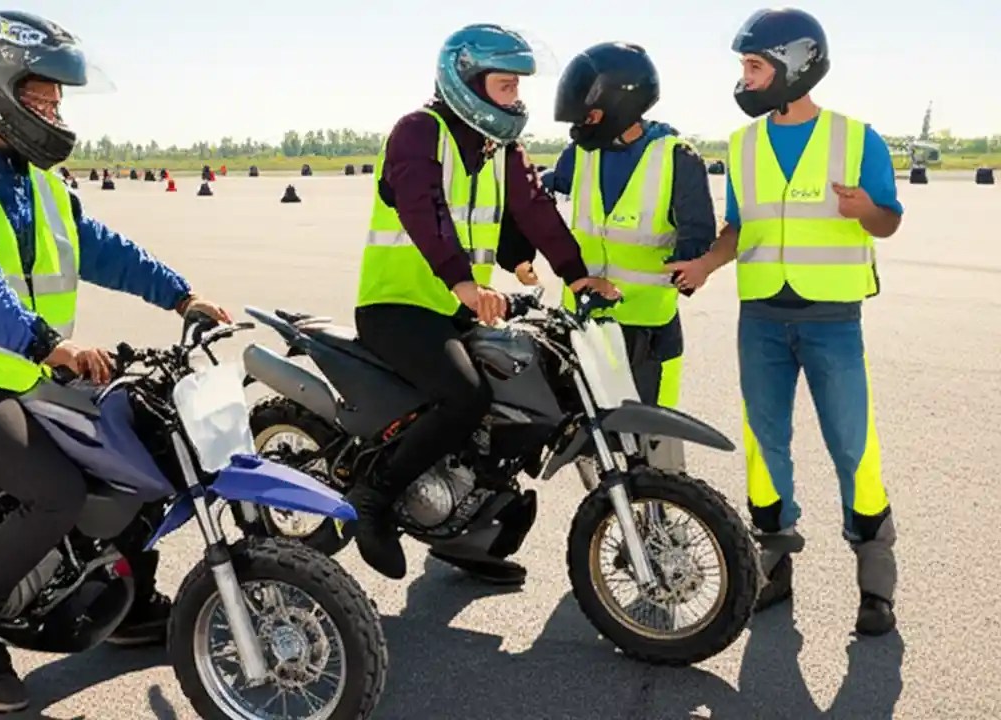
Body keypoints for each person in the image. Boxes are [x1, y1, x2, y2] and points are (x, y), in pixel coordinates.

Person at [0, 11, 230, 711]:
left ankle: (126, 604)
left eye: (57, 99)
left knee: (146, 444)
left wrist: (180, 295)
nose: (54, 110)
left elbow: (98, 245)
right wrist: (45, 343)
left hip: (25, 372)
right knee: (55, 490)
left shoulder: (29, 176)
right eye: (40, 97)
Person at [351, 23, 619, 582]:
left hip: (457, 311)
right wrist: (464, 284)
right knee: (466, 397)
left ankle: (464, 528)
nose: (515, 98)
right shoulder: (418, 133)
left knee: (526, 391)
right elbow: (423, 211)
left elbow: (537, 211)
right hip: (397, 307)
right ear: (466, 81)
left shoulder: (499, 148)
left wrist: (576, 275)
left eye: (518, 87)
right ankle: (374, 498)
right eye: (504, 86)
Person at [666, 8, 901, 636]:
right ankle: (773, 559)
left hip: (832, 318)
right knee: (764, 445)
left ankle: (875, 575)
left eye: (754, 66)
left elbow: (889, 220)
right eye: (744, 66)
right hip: (763, 315)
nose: (743, 78)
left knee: (853, 445)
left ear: (795, 67)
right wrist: (709, 264)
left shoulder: (857, 138)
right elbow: (739, 229)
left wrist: (864, 209)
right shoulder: (742, 146)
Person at [522, 42, 716, 473]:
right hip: (585, 325)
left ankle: (665, 531)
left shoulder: (676, 159)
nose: (579, 126)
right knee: (593, 445)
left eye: (586, 115)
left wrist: (690, 266)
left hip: (647, 331)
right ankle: (609, 527)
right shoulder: (582, 154)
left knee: (654, 447)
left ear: (618, 104)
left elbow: (698, 234)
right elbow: (542, 193)